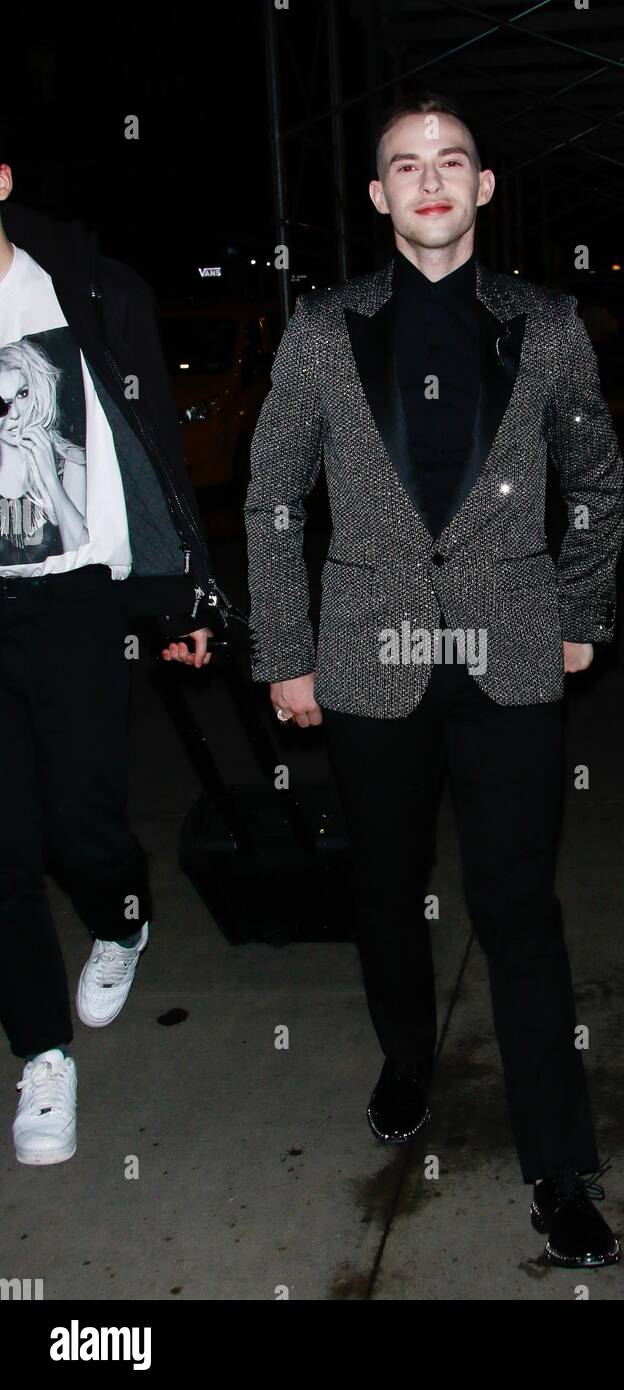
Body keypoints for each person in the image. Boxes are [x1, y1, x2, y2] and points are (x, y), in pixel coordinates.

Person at [245, 92, 624, 1268]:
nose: (428, 179)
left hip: (508, 648)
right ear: (376, 195)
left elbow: (597, 478)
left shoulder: (548, 323)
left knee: (519, 913)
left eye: (450, 161)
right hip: (366, 653)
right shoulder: (320, 329)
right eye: (404, 165)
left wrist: (577, 616)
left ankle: (559, 1170)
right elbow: (272, 499)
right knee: (387, 886)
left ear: (482, 187)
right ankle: (407, 1051)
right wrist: (286, 652)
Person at [0, 156, 227, 1165]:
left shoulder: (81, 287)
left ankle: (122, 914)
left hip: (75, 597)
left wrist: (182, 593)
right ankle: (43, 1054)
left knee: (79, 822)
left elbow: (152, 452)